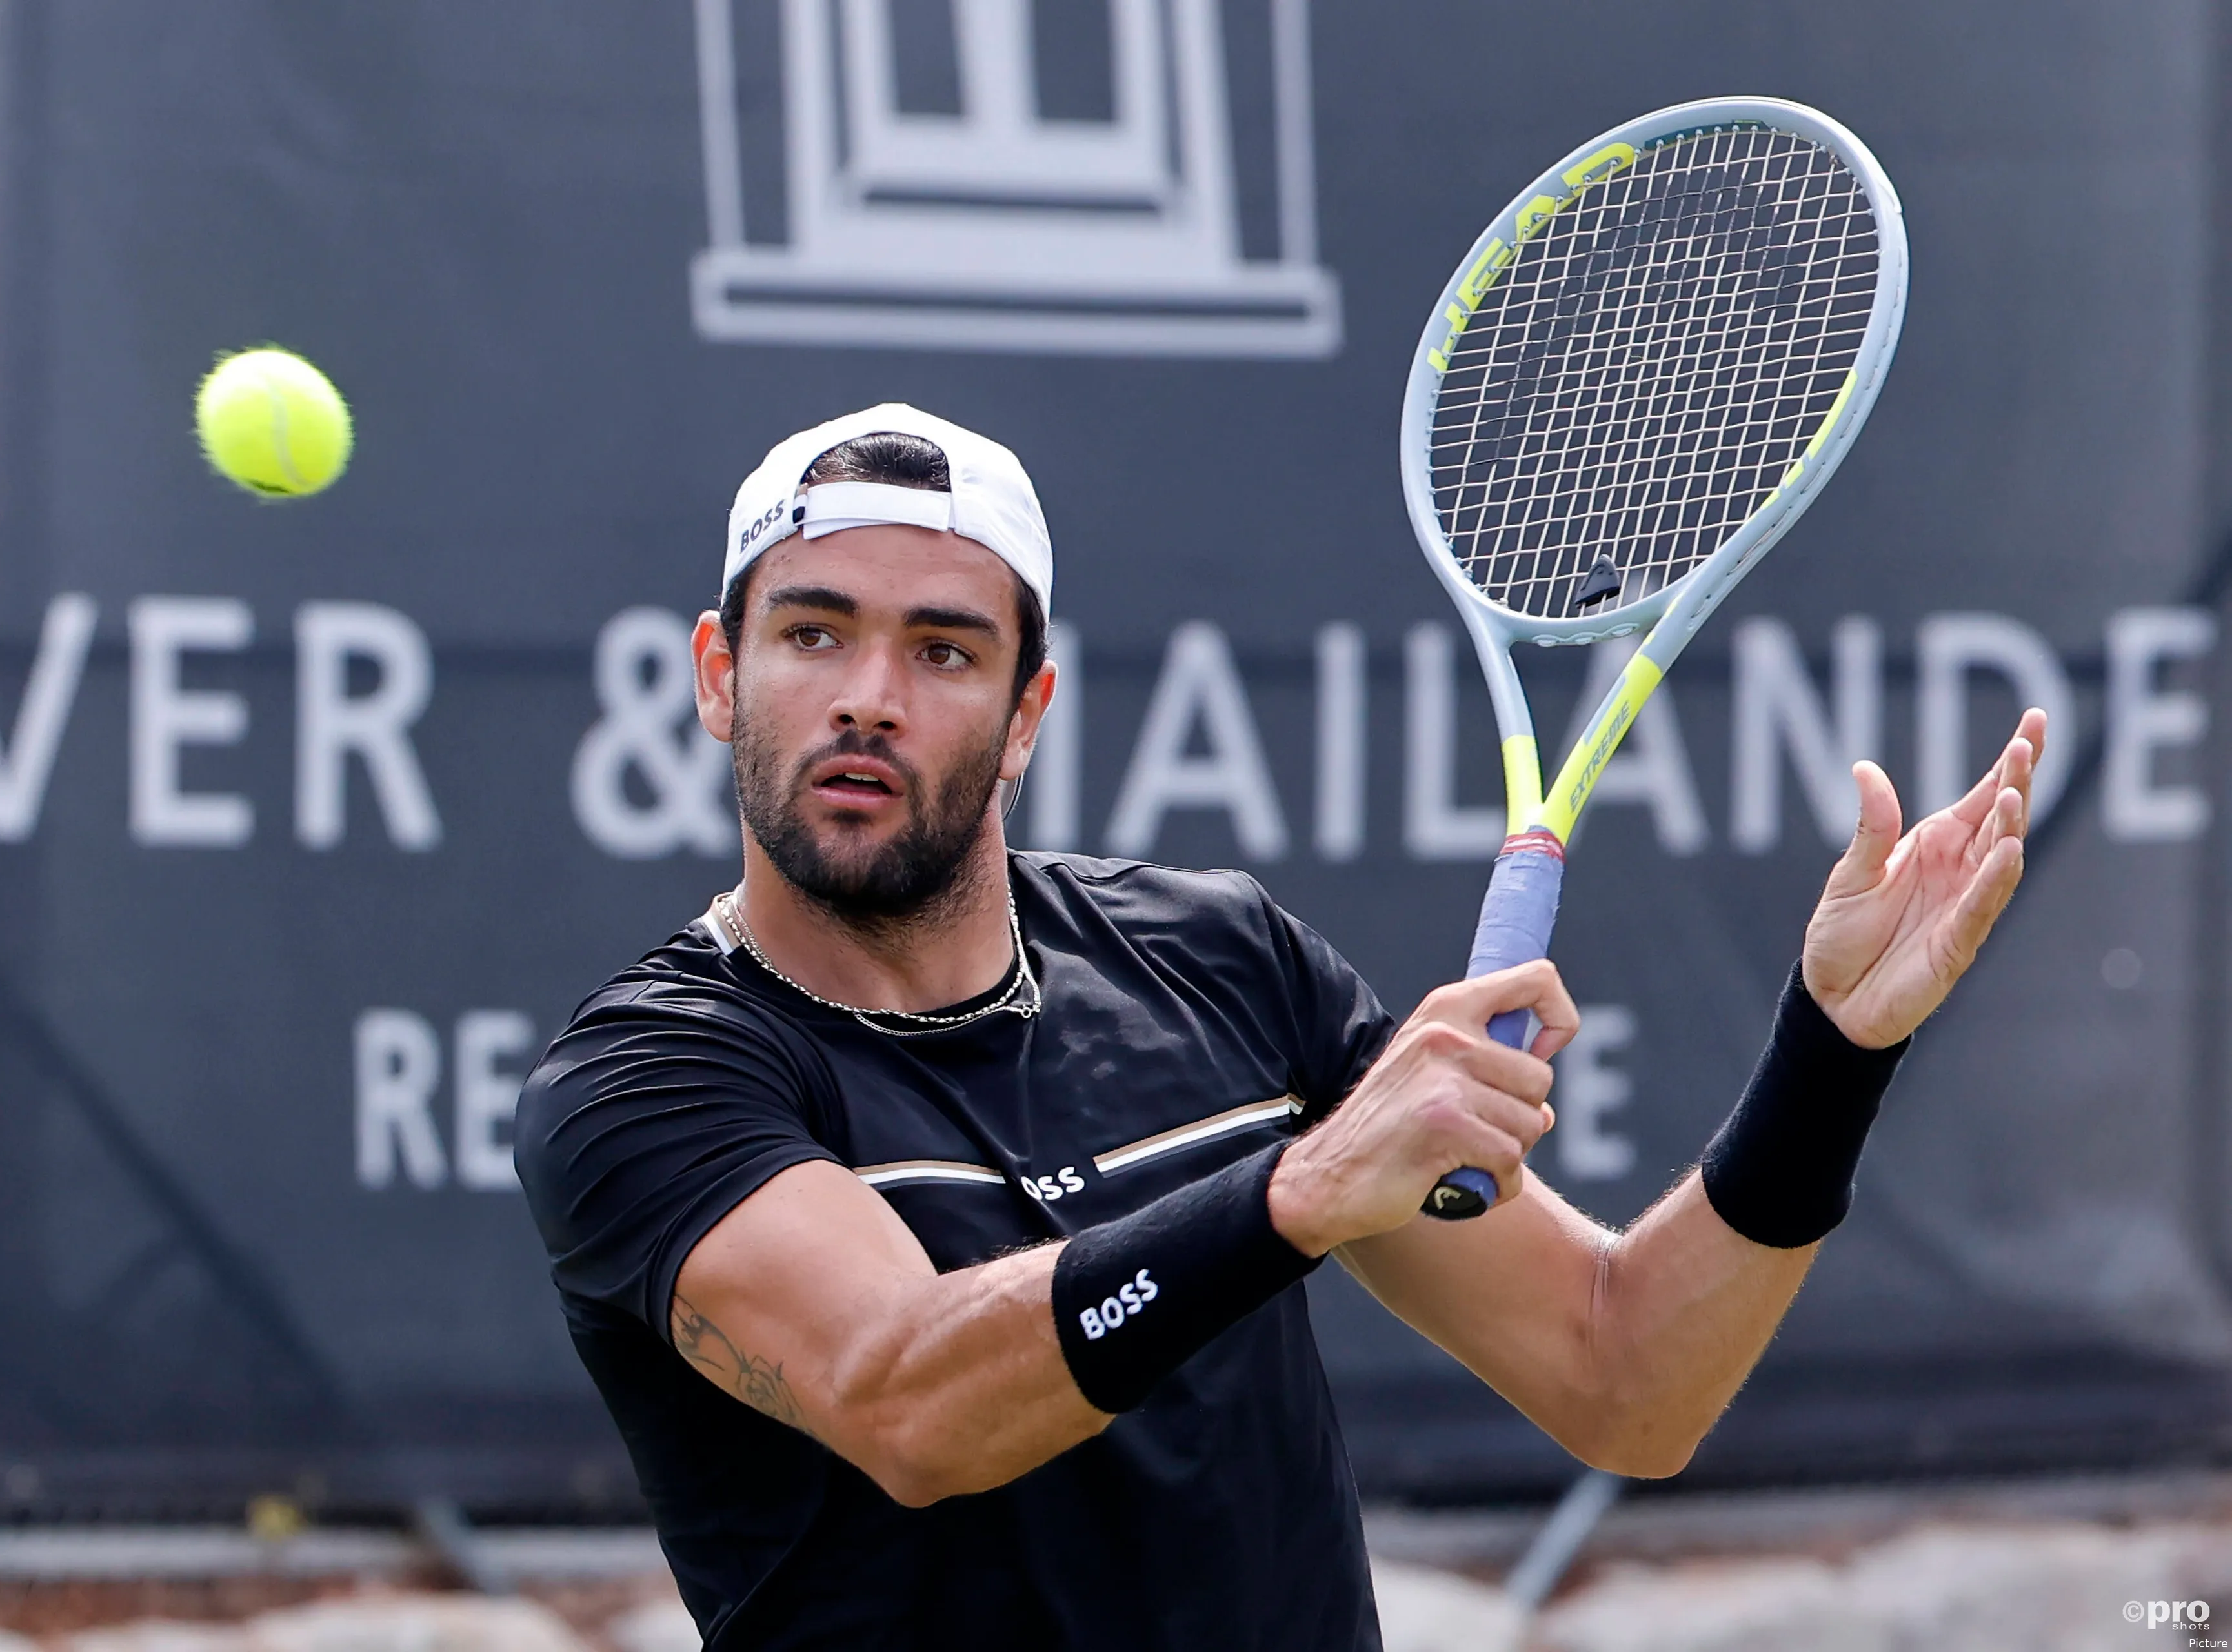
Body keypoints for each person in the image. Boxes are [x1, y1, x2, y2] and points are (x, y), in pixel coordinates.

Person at [514, 404, 2044, 1651]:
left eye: (941, 650)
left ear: (1027, 709)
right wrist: (1295, 1191)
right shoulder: (647, 1075)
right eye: (812, 635)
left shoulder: (1220, 958)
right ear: (722, 677)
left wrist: (1834, 1048)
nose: (867, 696)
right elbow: (908, 1397)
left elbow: (1623, 1373)